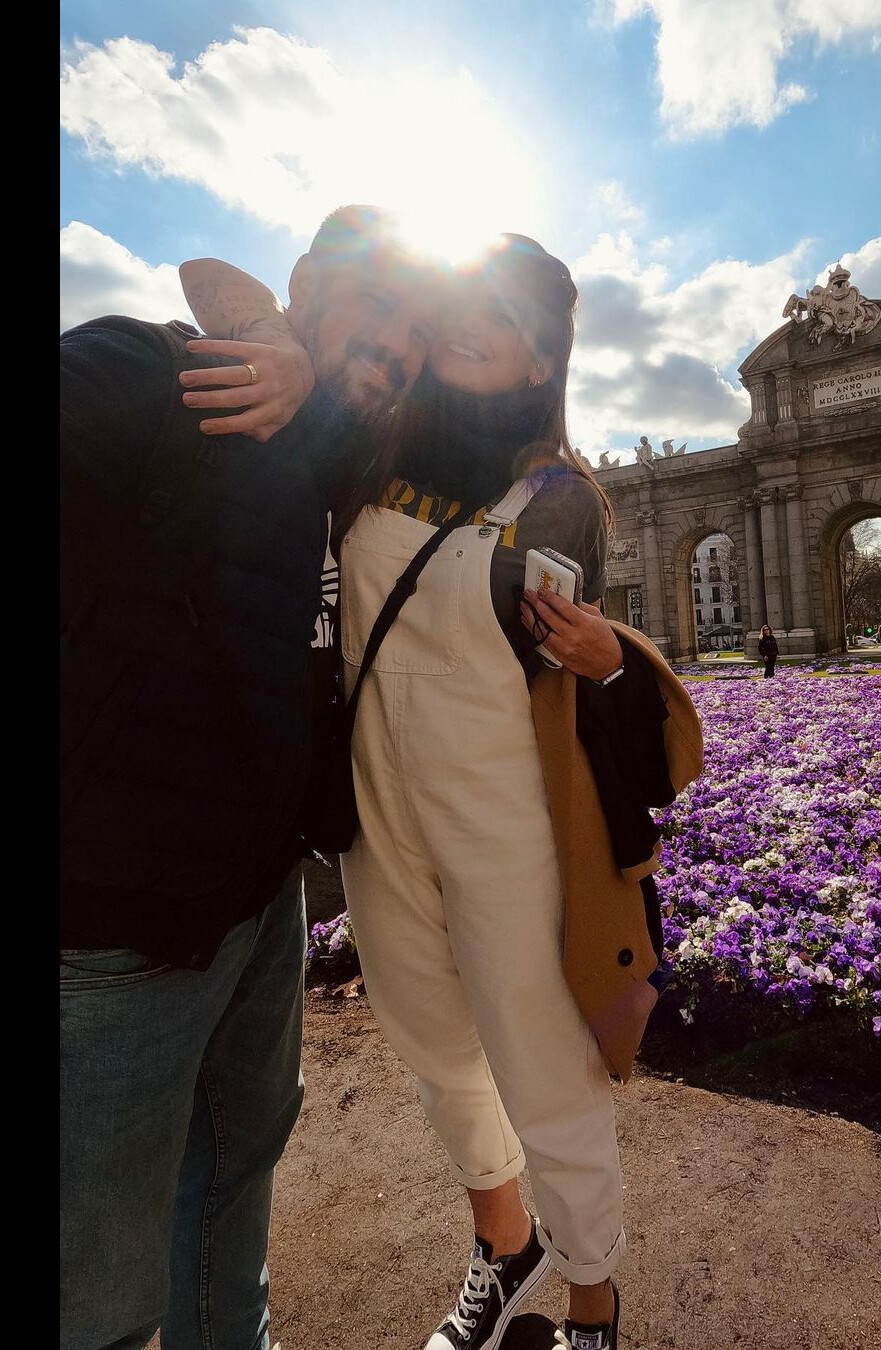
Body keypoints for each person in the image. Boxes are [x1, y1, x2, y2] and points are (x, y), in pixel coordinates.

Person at [180, 233, 703, 1350]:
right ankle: (504, 1247)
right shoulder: (372, 439)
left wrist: (608, 661)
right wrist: (279, 349)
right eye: (474, 301)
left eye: (513, 325)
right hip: (380, 815)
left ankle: (593, 1308)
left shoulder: (563, 499)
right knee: (434, 1052)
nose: (480, 328)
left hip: (502, 817)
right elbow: (210, 281)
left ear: (538, 364)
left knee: (545, 1069)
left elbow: (568, 685)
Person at [60, 205, 444, 1350]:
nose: (393, 348)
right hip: (114, 936)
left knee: (233, 1189)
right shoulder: (153, 374)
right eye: (372, 308)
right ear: (297, 289)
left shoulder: (337, 456)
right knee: (97, 1287)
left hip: (260, 906)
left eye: (411, 337)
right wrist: (241, 320)